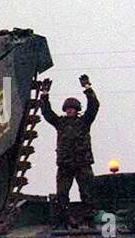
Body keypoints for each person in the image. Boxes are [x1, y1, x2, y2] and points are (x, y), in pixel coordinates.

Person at [39, 74, 100, 227]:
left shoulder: (84, 121)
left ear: (77, 110)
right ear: (65, 110)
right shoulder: (60, 122)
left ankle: (90, 218)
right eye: (68, 109)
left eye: (72, 109)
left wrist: (87, 88)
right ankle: (64, 219)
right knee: (62, 193)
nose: (70, 111)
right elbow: (47, 113)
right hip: (65, 164)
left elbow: (94, 106)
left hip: (82, 163)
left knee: (88, 192)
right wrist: (44, 94)